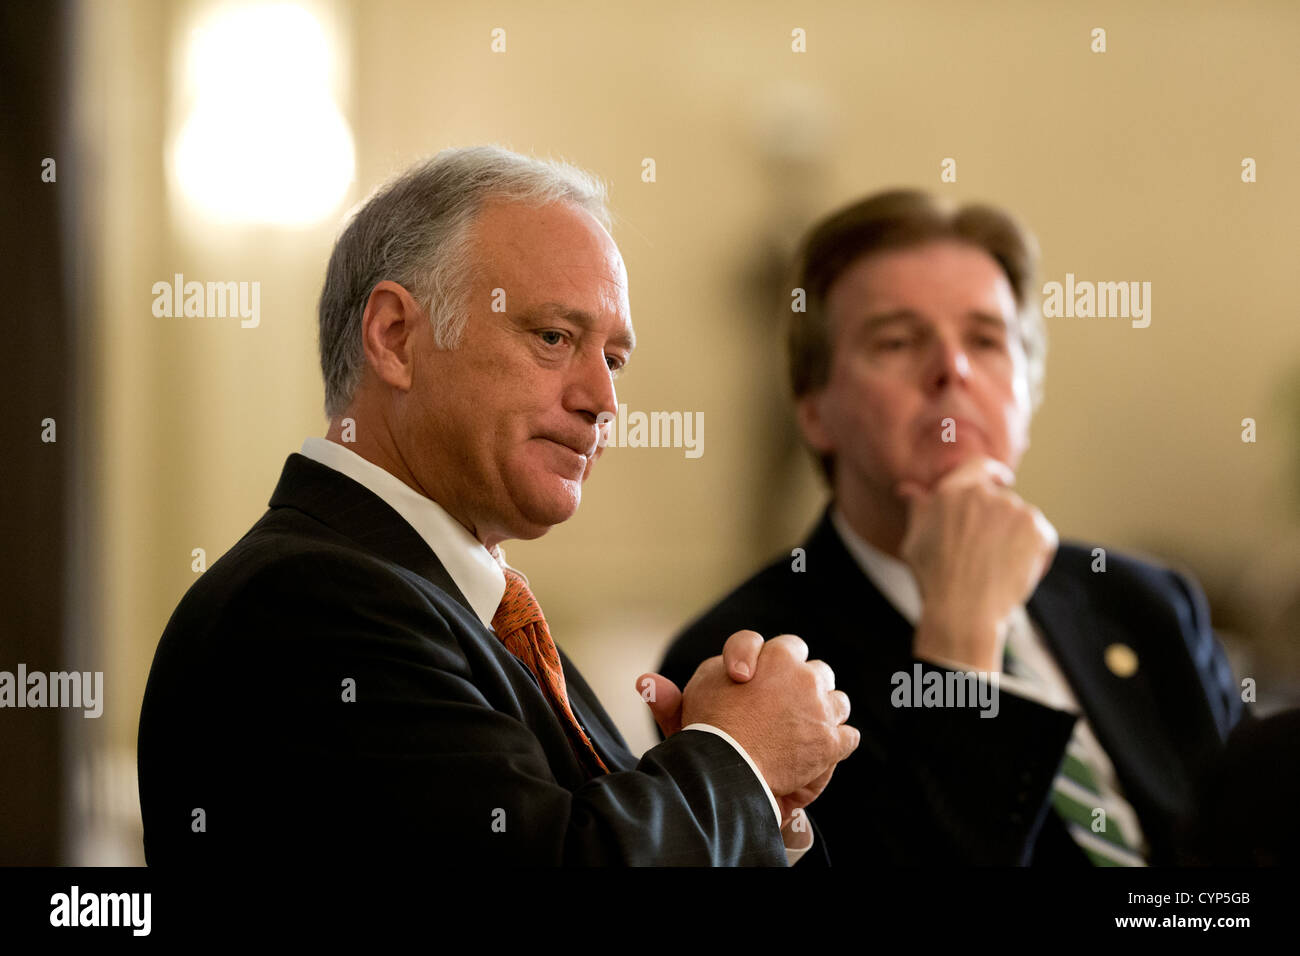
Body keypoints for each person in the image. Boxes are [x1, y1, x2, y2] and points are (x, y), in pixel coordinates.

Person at [137, 146, 857, 867]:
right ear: (394, 338)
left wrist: (766, 810)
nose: (603, 402)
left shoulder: (477, 611)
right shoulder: (308, 603)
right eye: (554, 338)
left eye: (612, 360)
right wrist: (735, 761)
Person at [661, 189, 1246, 865]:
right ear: (814, 409)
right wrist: (962, 640)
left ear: (1030, 390)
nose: (952, 369)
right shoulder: (744, 660)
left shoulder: (1145, 602)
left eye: (986, 339)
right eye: (898, 340)